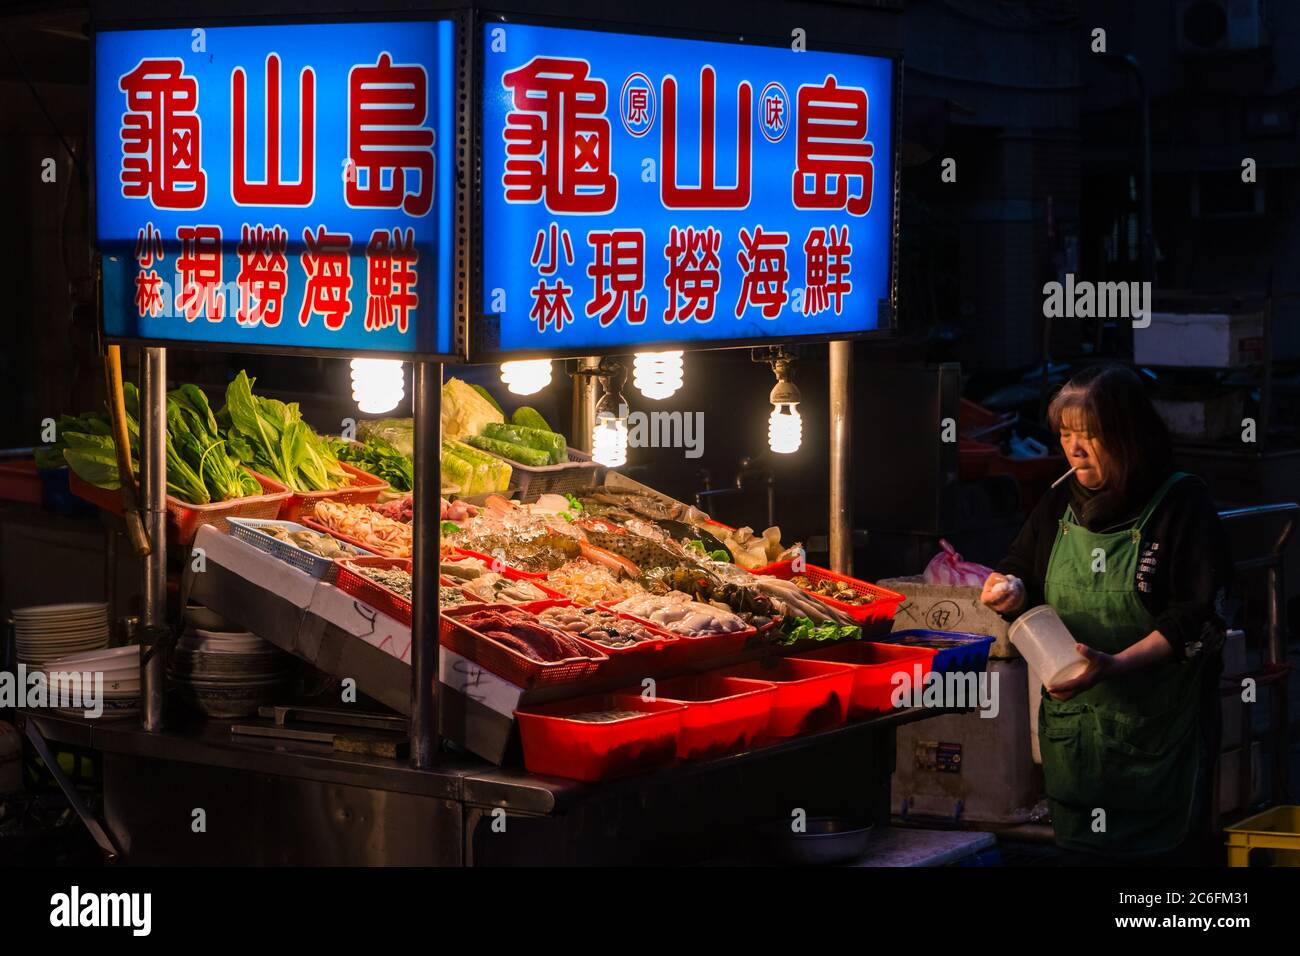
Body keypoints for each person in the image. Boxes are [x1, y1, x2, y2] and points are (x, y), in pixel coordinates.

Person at [980, 365, 1231, 864]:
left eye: (1090, 435)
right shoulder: (1058, 501)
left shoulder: (1181, 502)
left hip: (1159, 737)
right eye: (1067, 434)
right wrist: (1006, 589)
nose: (1074, 448)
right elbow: (1019, 569)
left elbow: (1196, 617)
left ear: (1129, 436)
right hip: (1076, 738)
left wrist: (1116, 665)